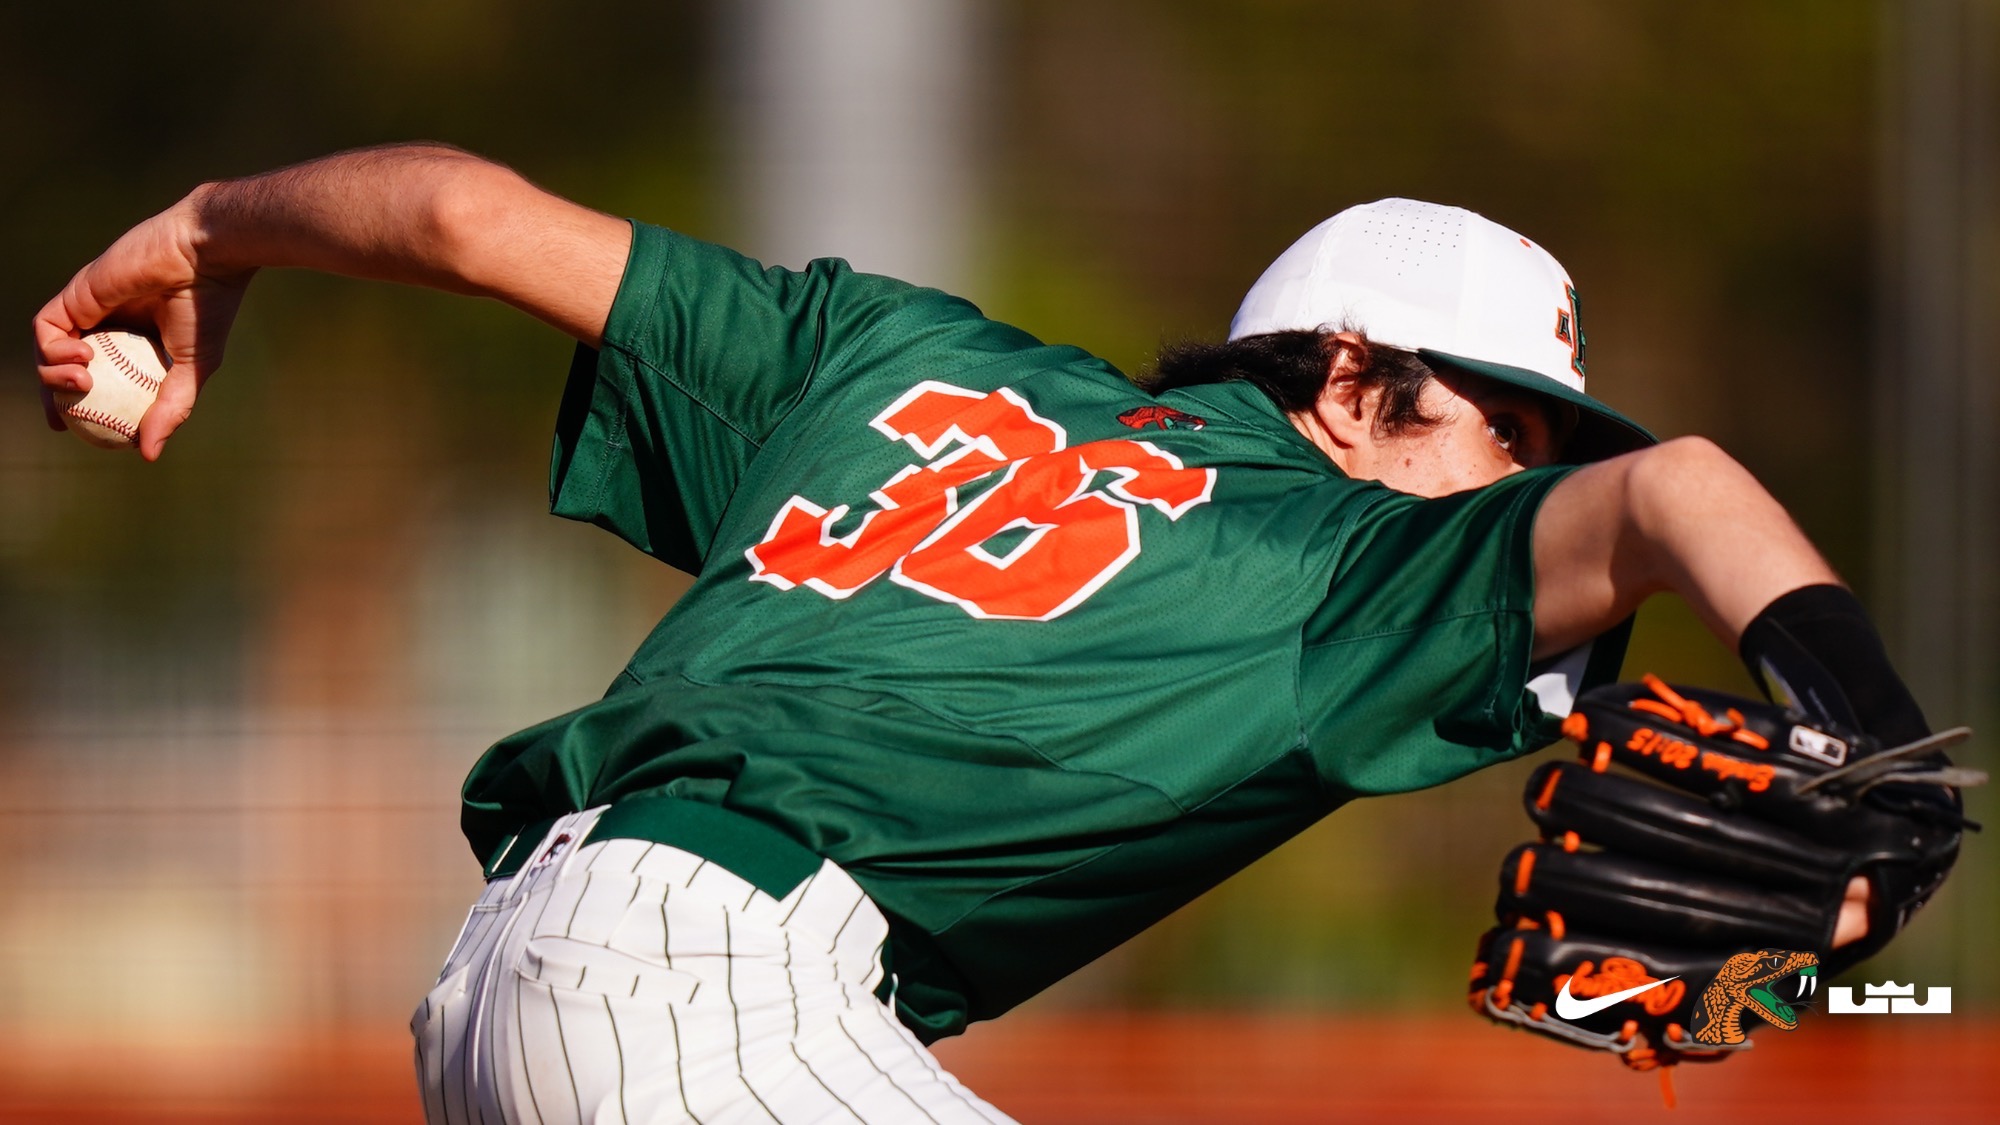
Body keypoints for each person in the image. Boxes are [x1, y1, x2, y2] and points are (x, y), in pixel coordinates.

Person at [34, 143, 1920, 1124]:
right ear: (1352, 379)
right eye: (1506, 427)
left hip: (509, 988)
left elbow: (458, 212)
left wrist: (206, 230)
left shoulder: (890, 359)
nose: (1522, 478)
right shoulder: (1346, 555)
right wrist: (1874, 744)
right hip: (707, 998)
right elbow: (1681, 489)